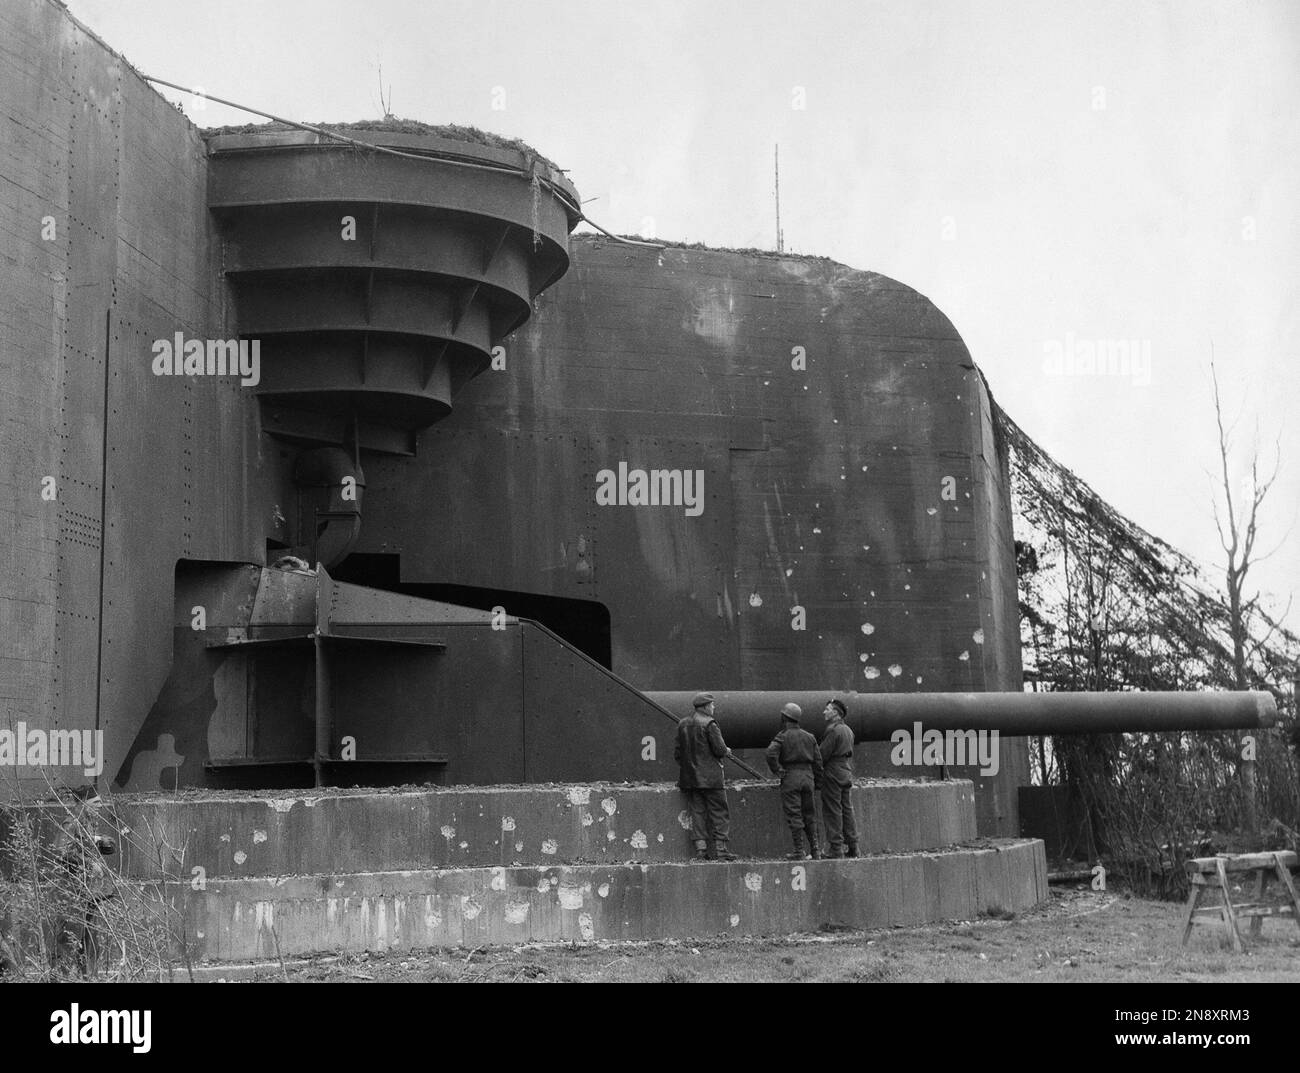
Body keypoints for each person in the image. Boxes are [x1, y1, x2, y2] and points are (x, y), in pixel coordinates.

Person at [674, 692, 737, 862]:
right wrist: (727, 751)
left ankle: (701, 851)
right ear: (706, 707)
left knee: (697, 813)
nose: (714, 707)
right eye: (712, 705)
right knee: (719, 812)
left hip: (691, 779)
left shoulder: (683, 724)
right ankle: (721, 850)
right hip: (711, 779)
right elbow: (720, 749)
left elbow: (678, 754)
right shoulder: (710, 724)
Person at [765, 702, 823, 860]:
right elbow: (818, 762)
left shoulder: (782, 736)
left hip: (791, 777)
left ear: (784, 718)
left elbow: (770, 753)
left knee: (795, 814)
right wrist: (817, 782)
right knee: (810, 815)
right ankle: (815, 850)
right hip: (807, 777)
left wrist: (778, 770)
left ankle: (799, 851)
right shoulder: (809, 737)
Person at [819, 697, 859, 858]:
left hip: (832, 773)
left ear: (835, 713)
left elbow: (822, 754)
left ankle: (835, 849)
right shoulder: (848, 730)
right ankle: (853, 846)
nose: (824, 712)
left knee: (832, 810)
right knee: (847, 809)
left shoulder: (833, 730)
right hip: (845, 771)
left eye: (827, 709)